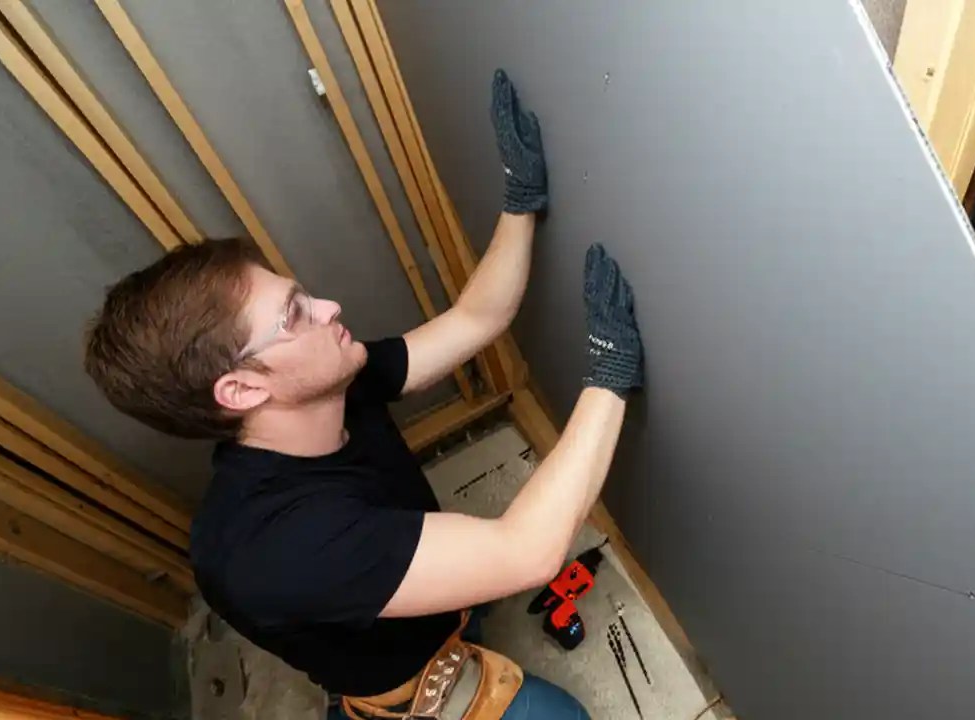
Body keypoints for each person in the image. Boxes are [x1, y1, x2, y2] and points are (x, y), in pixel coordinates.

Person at [83, 69, 644, 719]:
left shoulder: (325, 385)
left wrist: (520, 202)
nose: (329, 307)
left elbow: (472, 321)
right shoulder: (279, 547)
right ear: (240, 388)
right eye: (295, 314)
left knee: (462, 593)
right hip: (407, 688)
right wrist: (608, 373)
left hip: (410, 607)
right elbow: (528, 553)